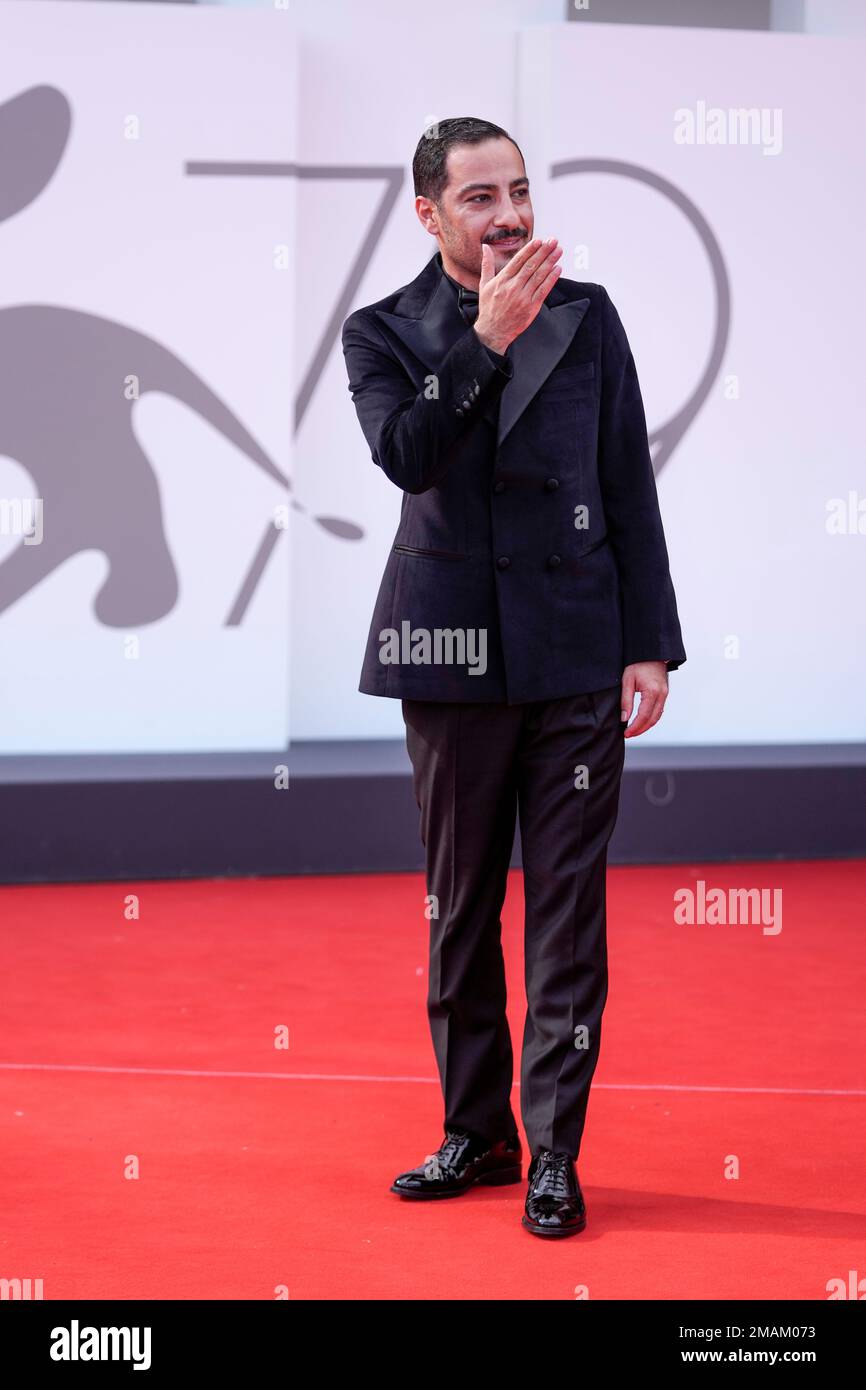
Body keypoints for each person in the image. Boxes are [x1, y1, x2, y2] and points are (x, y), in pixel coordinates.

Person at [341, 116, 686, 1238]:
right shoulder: (382, 330)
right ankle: (475, 1129)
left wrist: (649, 638)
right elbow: (407, 458)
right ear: (428, 212)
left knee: (566, 917)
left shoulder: (587, 318)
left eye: (519, 191)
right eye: (480, 196)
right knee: (458, 906)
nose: (508, 215)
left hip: (576, 647)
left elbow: (625, 476)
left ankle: (553, 1153)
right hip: (447, 653)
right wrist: (482, 340)